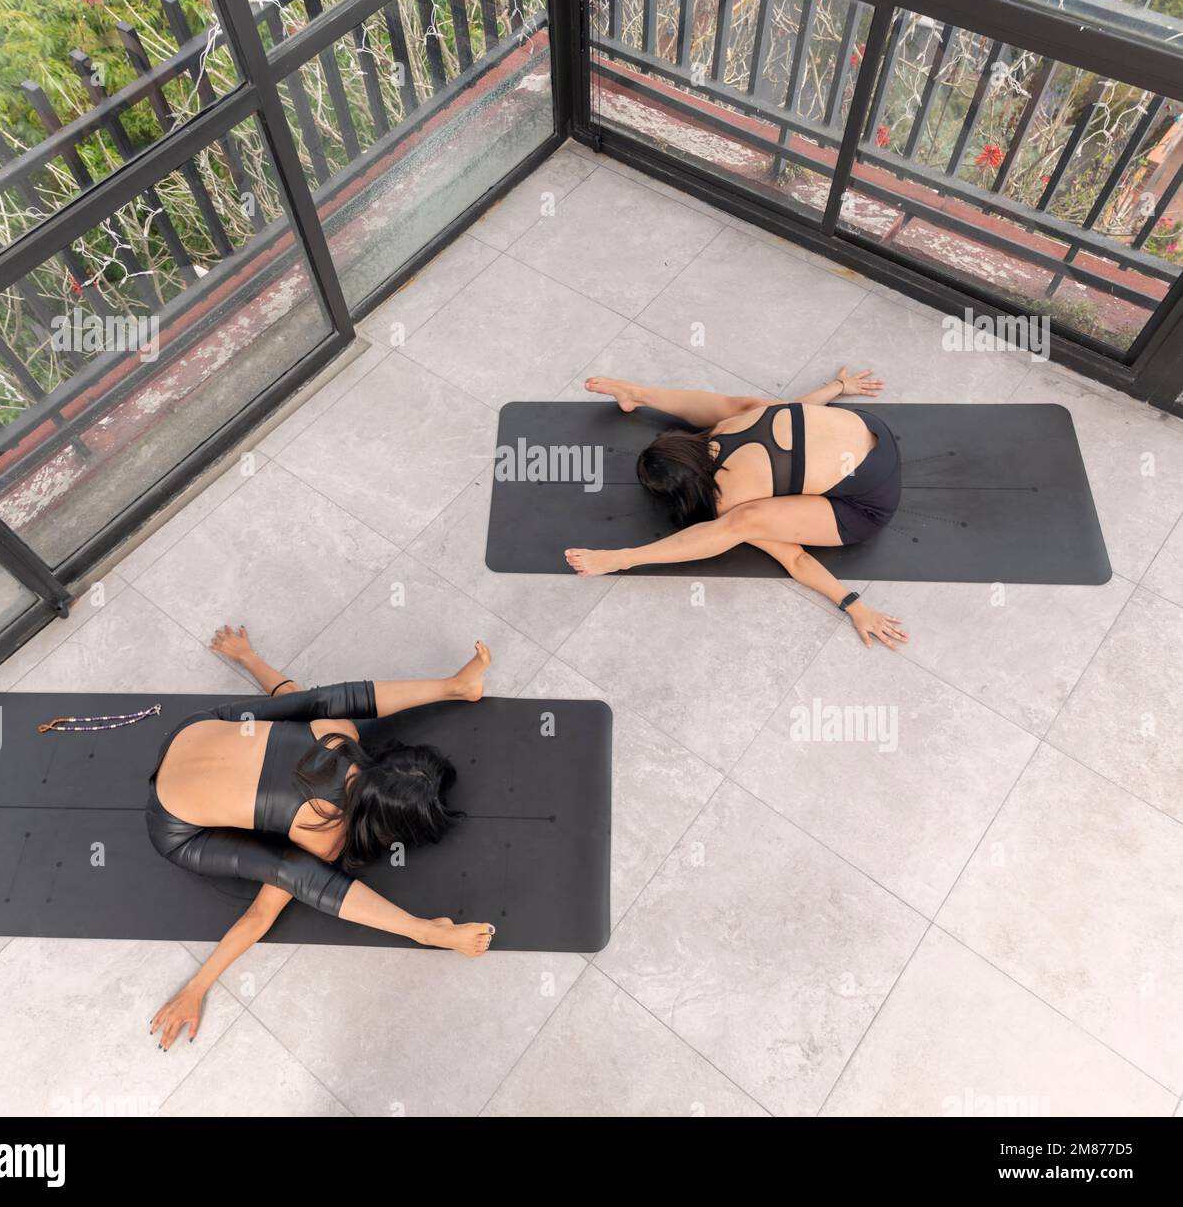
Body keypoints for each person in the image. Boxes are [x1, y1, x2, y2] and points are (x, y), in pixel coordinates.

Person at [148, 628, 495, 1049]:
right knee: (293, 871)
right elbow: (259, 916)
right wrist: (196, 987)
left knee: (321, 702)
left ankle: (453, 685)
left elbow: (291, 698)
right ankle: (423, 931)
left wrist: (249, 657)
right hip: (174, 826)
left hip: (193, 730)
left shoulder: (337, 731)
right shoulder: (324, 831)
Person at [564, 369, 908, 650]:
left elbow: (796, 559)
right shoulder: (730, 426)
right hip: (873, 429)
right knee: (746, 405)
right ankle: (638, 392)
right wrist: (837, 387)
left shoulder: (727, 497)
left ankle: (624, 558)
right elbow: (793, 407)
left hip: (870, 503)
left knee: (745, 521)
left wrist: (854, 605)